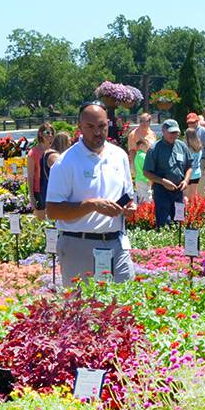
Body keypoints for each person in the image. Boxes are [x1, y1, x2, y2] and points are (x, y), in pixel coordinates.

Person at [45, 103, 136, 283]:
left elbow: (128, 196)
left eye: (102, 126)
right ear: (79, 127)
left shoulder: (119, 156)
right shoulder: (66, 162)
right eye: (90, 127)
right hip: (78, 245)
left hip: (116, 244)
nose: (97, 132)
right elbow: (53, 211)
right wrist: (92, 205)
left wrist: (130, 207)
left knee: (125, 304)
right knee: (82, 308)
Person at [142, 118, 193, 228]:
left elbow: (189, 166)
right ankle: (165, 244)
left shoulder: (182, 146)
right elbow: (146, 172)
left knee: (178, 222)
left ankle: (177, 245)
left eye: (176, 133)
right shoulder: (154, 149)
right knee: (164, 222)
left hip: (178, 190)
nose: (174, 135)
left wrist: (186, 180)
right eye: (171, 132)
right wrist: (163, 181)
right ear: (163, 131)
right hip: (162, 191)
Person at [27, 121, 57, 213]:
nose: (50, 135)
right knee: (43, 218)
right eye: (47, 132)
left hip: (54, 189)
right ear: (40, 134)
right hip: (40, 191)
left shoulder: (54, 151)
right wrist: (31, 197)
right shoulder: (33, 153)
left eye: (52, 133)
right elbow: (30, 176)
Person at [187, 111, 205, 176]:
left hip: (202, 161)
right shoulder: (187, 132)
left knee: (200, 184)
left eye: (193, 122)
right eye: (189, 122)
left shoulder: (204, 131)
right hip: (190, 162)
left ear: (197, 121)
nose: (191, 124)